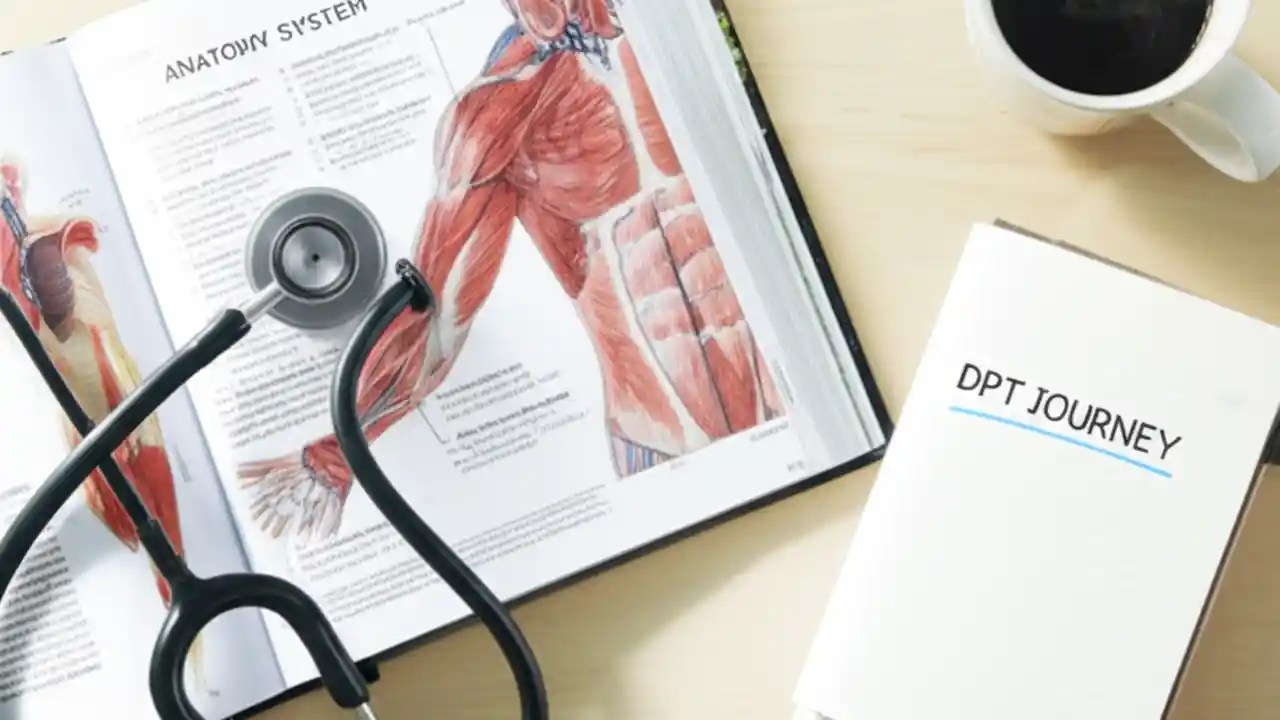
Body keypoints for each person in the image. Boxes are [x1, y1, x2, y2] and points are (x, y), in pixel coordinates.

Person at [240, 0, 783, 543]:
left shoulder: (676, 30)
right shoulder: (492, 112)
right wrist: (343, 448)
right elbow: (439, 319)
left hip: (789, 387)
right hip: (663, 446)